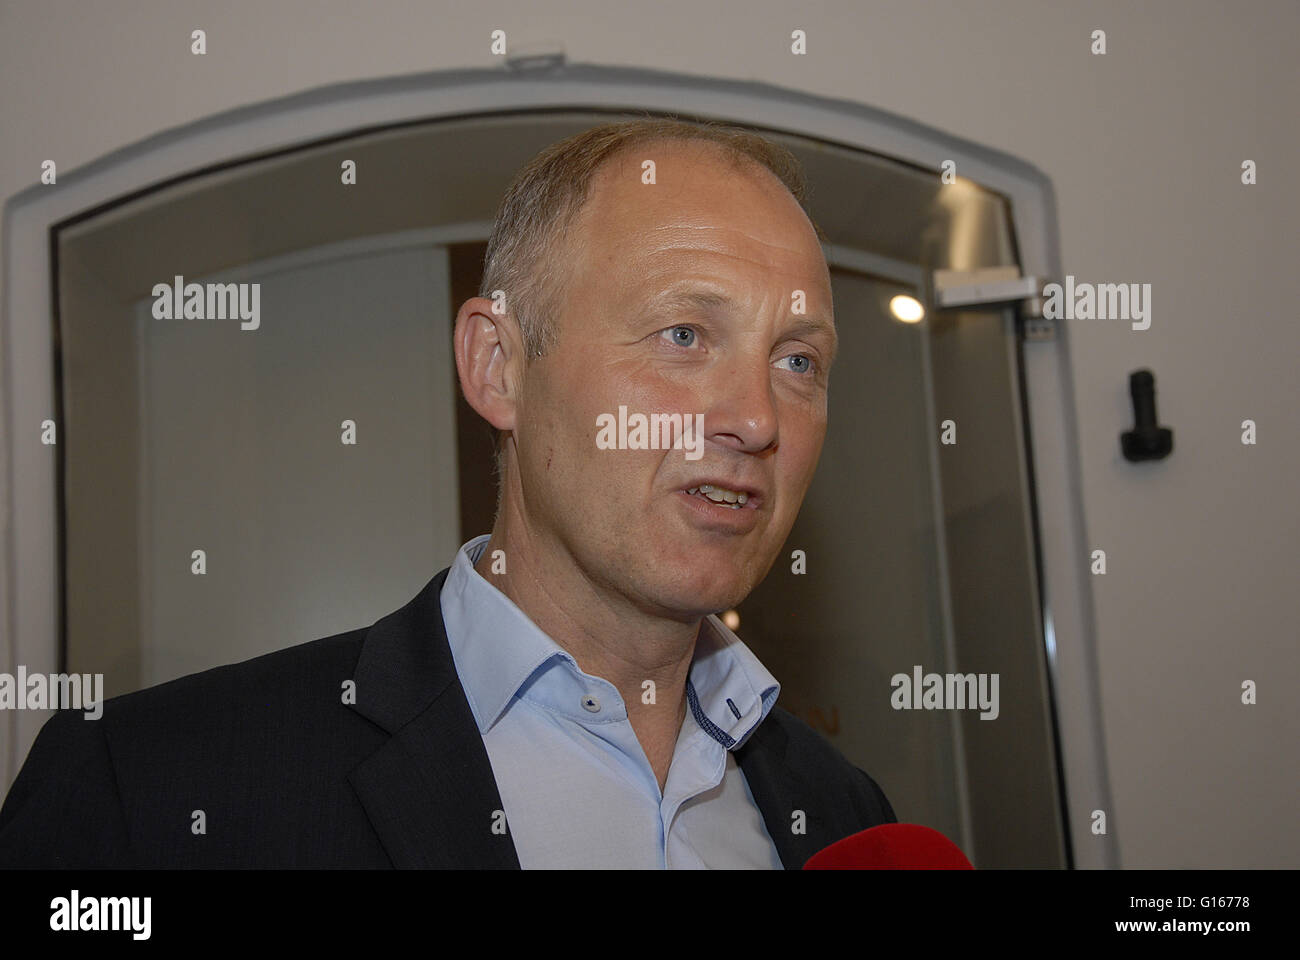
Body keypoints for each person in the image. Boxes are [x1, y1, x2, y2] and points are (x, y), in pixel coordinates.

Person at [0, 117, 895, 868]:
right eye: (685, 333)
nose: (754, 418)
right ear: (498, 366)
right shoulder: (149, 792)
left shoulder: (848, 818)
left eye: (798, 360)